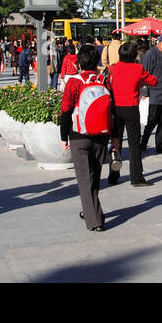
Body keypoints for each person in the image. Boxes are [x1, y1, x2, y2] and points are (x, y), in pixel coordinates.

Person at [60, 45, 112, 232]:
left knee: (84, 177)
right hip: (102, 133)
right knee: (95, 174)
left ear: (79, 62)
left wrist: (63, 135)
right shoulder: (103, 80)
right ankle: (89, 209)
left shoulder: (74, 82)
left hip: (78, 133)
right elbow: (110, 107)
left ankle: (95, 220)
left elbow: (65, 109)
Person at [105, 41, 156, 187]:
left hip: (115, 108)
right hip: (131, 108)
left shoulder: (112, 68)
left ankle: (113, 174)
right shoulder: (138, 68)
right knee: (134, 144)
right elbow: (153, 81)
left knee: (116, 142)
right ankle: (136, 177)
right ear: (134, 56)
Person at [138, 33, 162, 155]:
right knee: (152, 120)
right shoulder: (151, 54)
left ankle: (160, 145)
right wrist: (144, 91)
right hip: (154, 93)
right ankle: (143, 143)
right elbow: (144, 73)